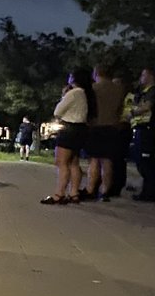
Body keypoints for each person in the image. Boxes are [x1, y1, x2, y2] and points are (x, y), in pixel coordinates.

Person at [42, 68, 96, 205]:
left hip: (69, 129)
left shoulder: (73, 93)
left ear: (74, 79)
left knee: (62, 162)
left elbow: (57, 111)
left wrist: (63, 96)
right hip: (81, 129)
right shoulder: (86, 93)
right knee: (74, 162)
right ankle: (74, 193)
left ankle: (59, 194)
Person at [85, 65, 126, 201]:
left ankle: (90, 189)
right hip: (112, 127)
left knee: (94, 160)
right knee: (107, 161)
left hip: (97, 126)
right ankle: (105, 190)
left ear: (96, 73)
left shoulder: (93, 89)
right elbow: (120, 109)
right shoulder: (119, 89)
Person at [130, 67, 154, 201]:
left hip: (148, 130)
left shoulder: (152, 91)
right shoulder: (142, 92)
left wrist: (132, 113)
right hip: (142, 129)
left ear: (151, 76)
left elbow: (147, 107)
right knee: (142, 162)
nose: (141, 77)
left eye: (143, 74)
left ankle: (149, 193)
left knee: (146, 163)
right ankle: (147, 191)